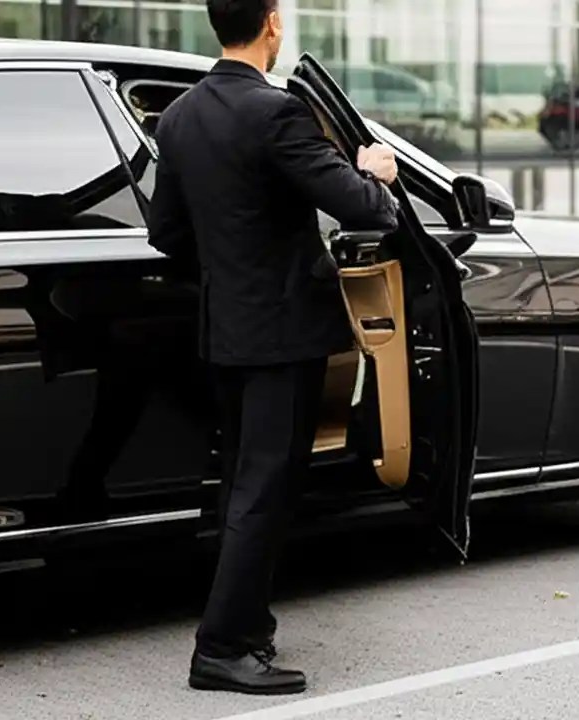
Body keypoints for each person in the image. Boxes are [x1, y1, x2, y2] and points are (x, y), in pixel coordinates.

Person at [147, 0, 402, 696]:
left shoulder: (180, 117)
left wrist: (231, 263)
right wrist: (374, 169)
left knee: (242, 484)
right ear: (271, 23)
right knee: (265, 488)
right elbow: (365, 210)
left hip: (224, 332)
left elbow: (166, 233)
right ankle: (224, 647)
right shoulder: (279, 114)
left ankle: (246, 629)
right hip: (283, 336)